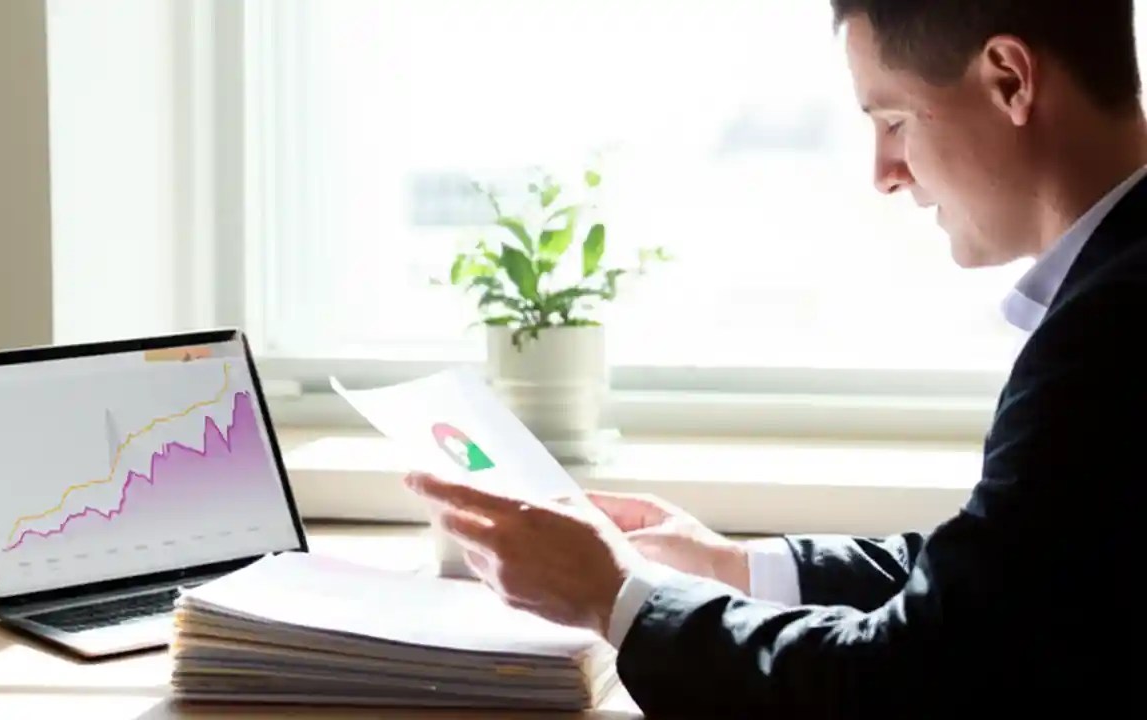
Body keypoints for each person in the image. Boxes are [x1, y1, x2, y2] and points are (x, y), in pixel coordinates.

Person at [407, 0, 1147, 716]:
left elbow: (910, 675)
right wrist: (734, 569)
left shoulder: (1107, 335)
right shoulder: (1113, 294)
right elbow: (1008, 576)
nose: (884, 171)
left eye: (892, 120)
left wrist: (618, 597)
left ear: (1010, 81)